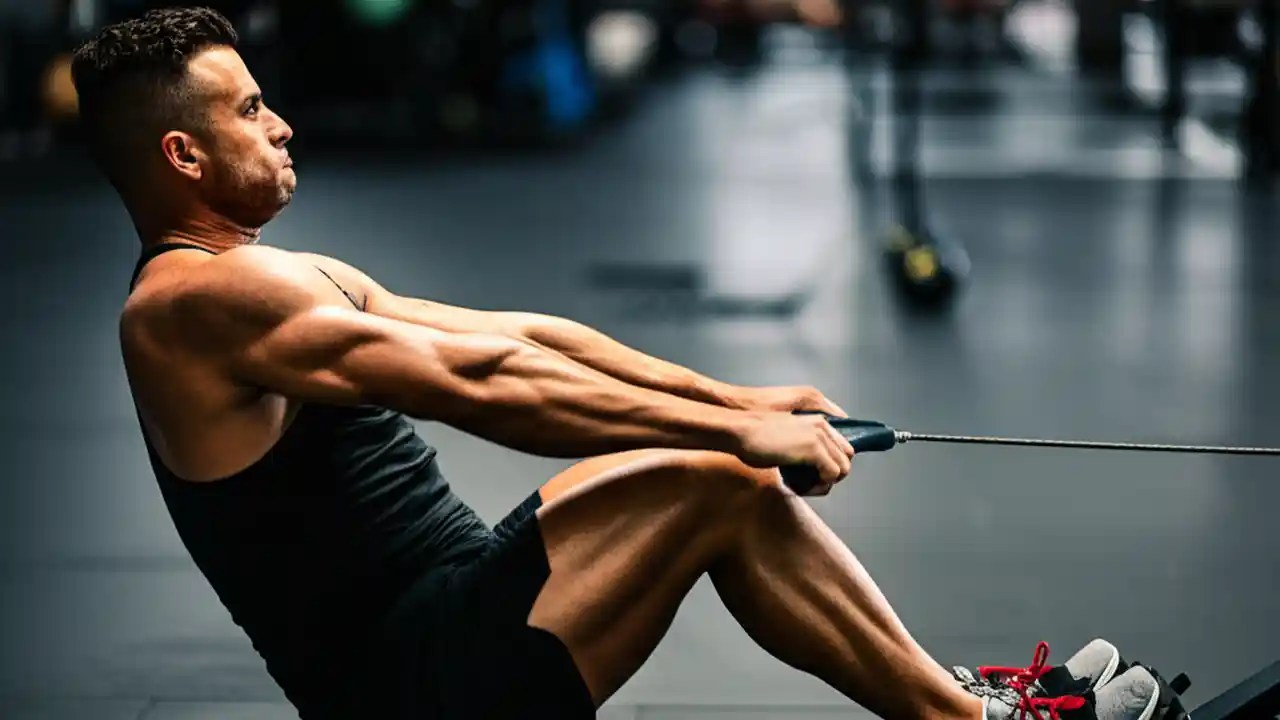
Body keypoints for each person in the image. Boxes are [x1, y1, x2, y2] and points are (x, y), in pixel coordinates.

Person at [72, 7, 1170, 720]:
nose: (283, 126)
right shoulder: (194, 304)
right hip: (412, 685)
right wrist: (728, 434)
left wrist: (734, 400)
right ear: (184, 153)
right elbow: (477, 387)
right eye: (252, 110)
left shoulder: (269, 274)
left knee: (720, 472)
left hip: (463, 610)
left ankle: (953, 703)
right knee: (715, 480)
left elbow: (521, 339)